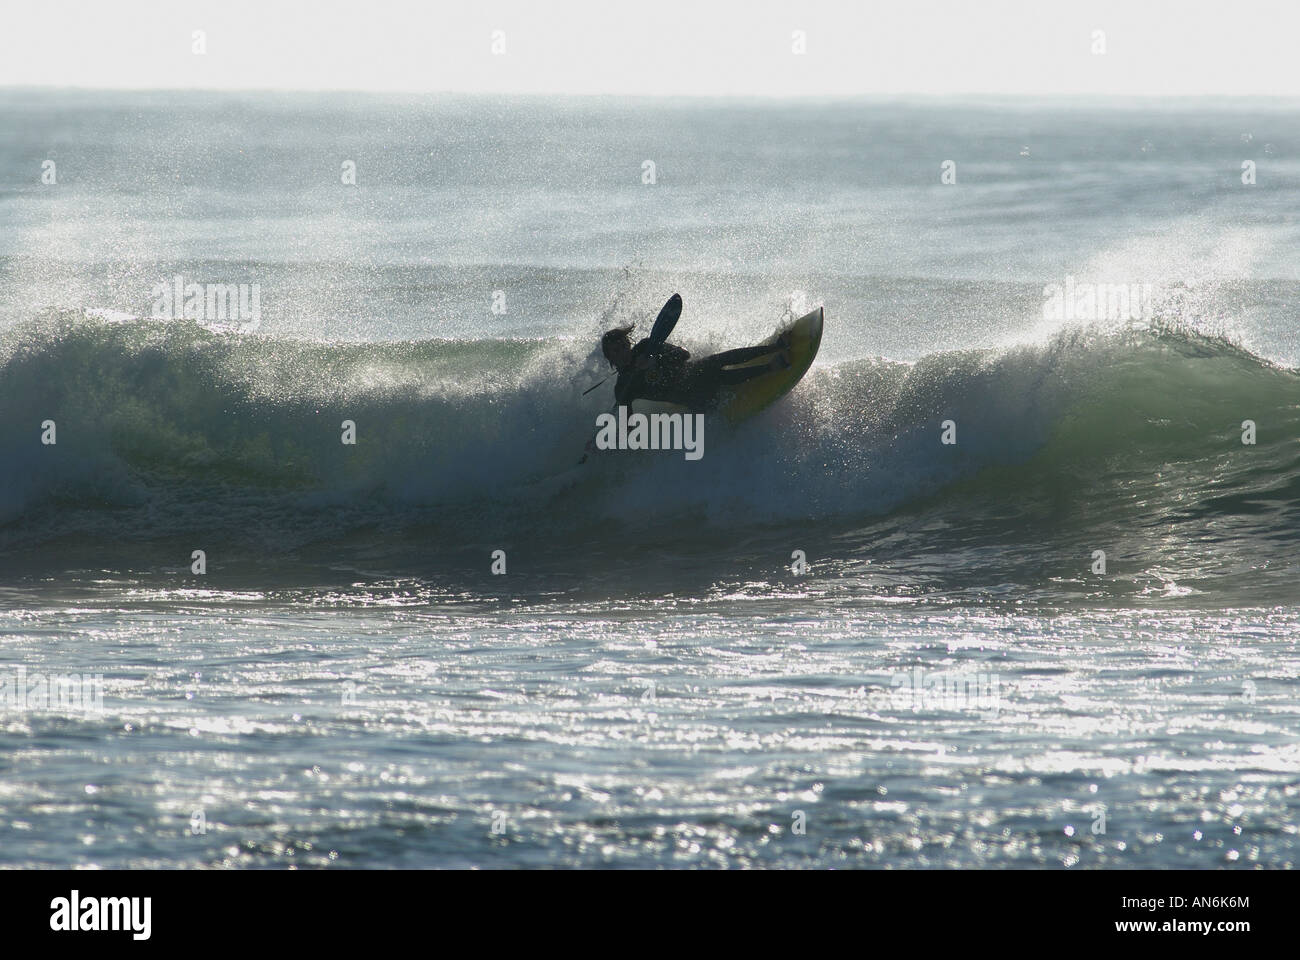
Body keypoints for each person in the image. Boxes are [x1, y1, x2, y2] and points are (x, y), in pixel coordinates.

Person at [600, 294, 789, 413]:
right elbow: (627, 425)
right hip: (693, 398)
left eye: (623, 345)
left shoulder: (646, 346)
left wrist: (654, 358)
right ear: (610, 358)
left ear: (629, 343)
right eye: (616, 350)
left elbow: (684, 355)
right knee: (715, 376)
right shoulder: (623, 387)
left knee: (713, 362)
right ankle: (770, 367)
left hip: (694, 373)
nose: (622, 351)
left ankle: (775, 347)